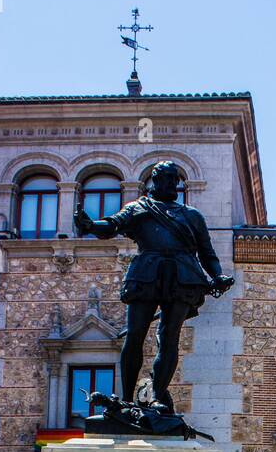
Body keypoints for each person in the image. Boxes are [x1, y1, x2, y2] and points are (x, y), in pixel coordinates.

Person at [74, 160, 233, 413]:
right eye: (166, 178)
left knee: (169, 338)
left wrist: (218, 275)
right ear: (155, 180)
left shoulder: (192, 216)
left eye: (175, 179)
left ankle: (158, 395)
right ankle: (127, 399)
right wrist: (91, 226)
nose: (171, 183)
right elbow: (112, 225)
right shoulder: (138, 208)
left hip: (182, 277)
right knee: (135, 334)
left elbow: (207, 252)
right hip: (146, 274)